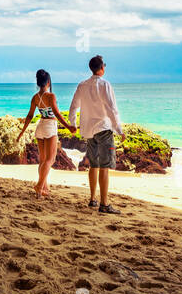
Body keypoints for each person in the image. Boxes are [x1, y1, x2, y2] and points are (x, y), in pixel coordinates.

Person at [68, 55, 123, 213]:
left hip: (89, 131)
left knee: (93, 165)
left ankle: (93, 199)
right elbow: (112, 109)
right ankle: (104, 204)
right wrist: (118, 129)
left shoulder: (82, 85)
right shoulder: (105, 84)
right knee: (104, 167)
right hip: (104, 129)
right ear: (102, 68)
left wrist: (72, 124)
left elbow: (73, 107)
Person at [17, 68, 76, 196]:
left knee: (43, 161)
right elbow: (56, 113)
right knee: (50, 159)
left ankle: (44, 188)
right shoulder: (51, 96)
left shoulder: (35, 97)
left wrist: (22, 132)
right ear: (48, 82)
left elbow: (29, 116)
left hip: (41, 127)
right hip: (50, 127)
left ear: (38, 82)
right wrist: (68, 127)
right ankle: (39, 185)